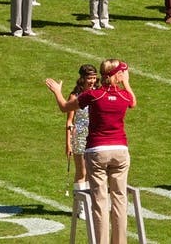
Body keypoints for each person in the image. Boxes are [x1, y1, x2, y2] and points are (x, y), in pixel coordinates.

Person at [45, 59, 137, 244]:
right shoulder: (124, 96)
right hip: (120, 150)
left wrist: (56, 91)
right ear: (116, 76)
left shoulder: (95, 95)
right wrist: (126, 82)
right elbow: (133, 102)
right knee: (119, 200)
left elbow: (64, 107)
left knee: (100, 201)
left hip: (97, 151)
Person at [65, 64, 99, 196]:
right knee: (82, 171)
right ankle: (80, 206)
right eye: (89, 78)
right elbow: (69, 121)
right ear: (82, 78)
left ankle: (91, 202)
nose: (92, 81)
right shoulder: (75, 96)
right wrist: (68, 143)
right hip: (79, 136)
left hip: (95, 136)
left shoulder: (98, 93)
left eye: (94, 78)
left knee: (94, 172)